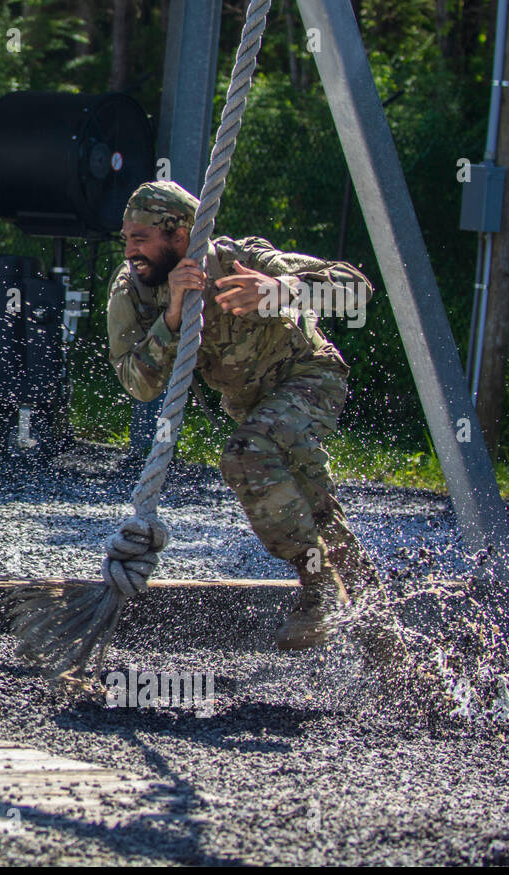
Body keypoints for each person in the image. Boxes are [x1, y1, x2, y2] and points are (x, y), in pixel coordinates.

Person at [107, 180, 380, 649]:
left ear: (179, 234)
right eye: (127, 237)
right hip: (255, 410)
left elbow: (356, 292)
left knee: (244, 455)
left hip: (310, 379)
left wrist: (279, 292)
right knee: (315, 511)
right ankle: (381, 627)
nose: (130, 249)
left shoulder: (242, 259)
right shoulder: (133, 290)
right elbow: (138, 382)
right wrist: (172, 318)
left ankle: (319, 592)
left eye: (140, 237)